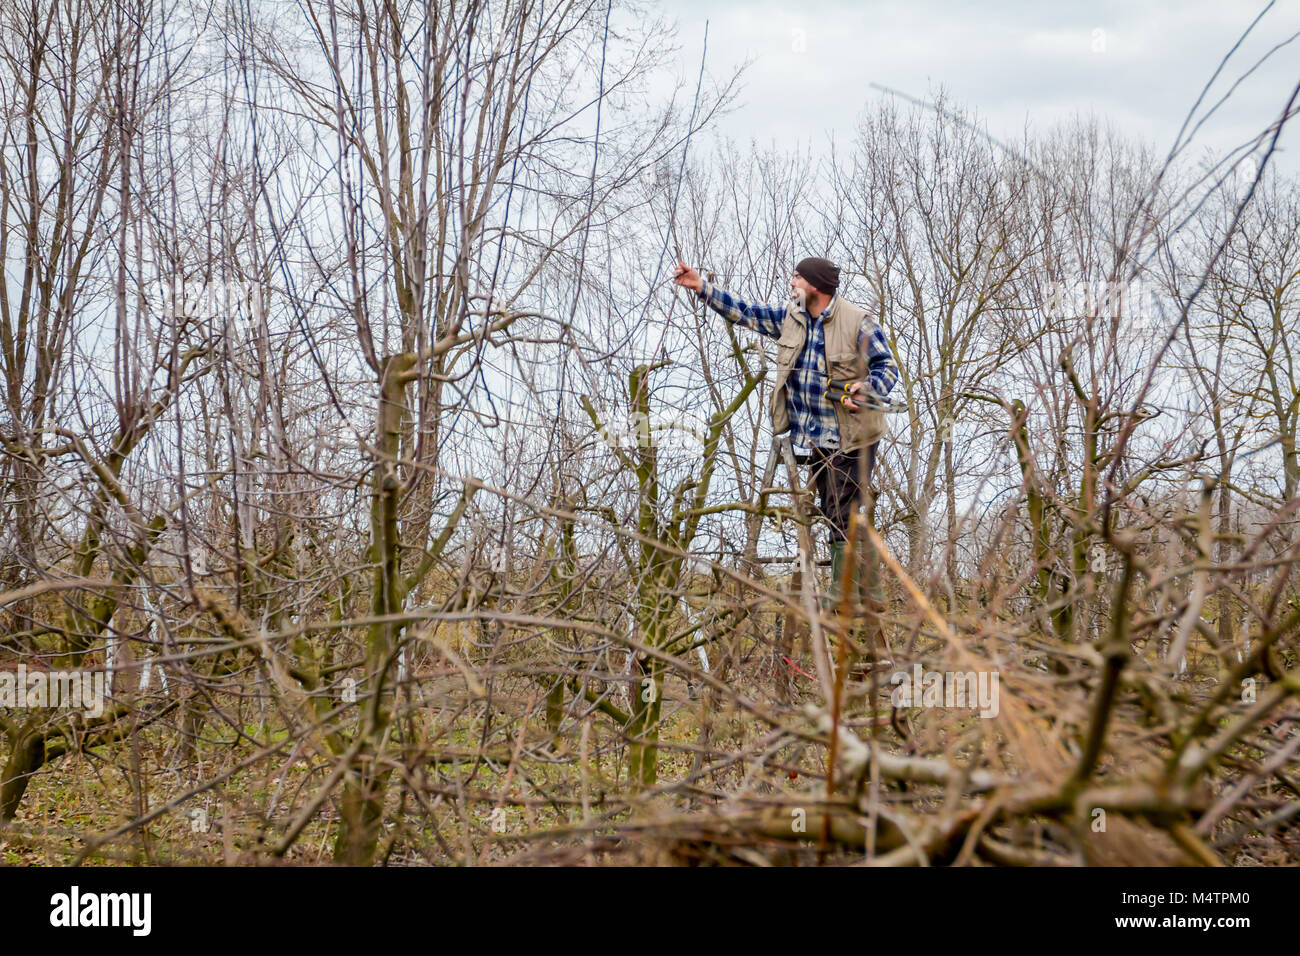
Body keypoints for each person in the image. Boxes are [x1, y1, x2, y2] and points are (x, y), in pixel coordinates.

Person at [672, 257, 899, 602]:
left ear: (816, 286)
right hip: (813, 435)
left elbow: (887, 366)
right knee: (834, 510)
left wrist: (867, 389)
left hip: (852, 434)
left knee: (843, 511)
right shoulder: (790, 318)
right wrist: (702, 287)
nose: (792, 282)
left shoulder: (857, 322)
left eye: (797, 277)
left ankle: (848, 594)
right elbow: (745, 311)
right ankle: (862, 589)